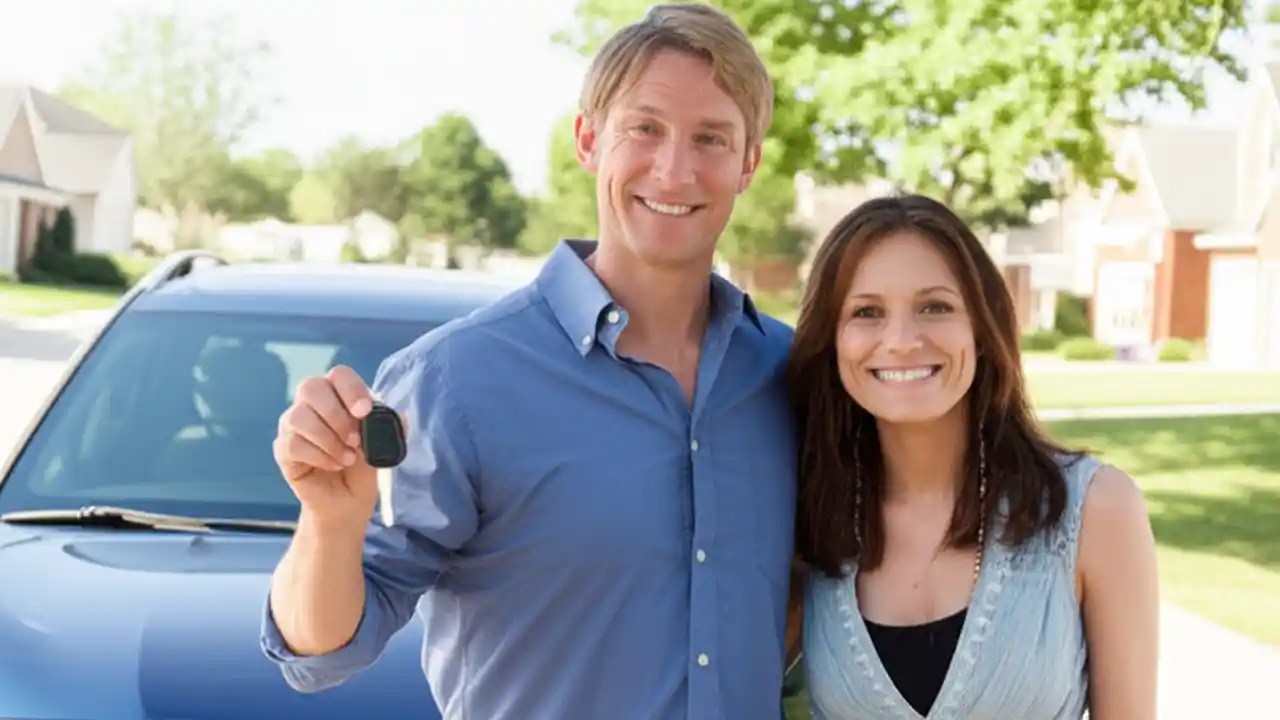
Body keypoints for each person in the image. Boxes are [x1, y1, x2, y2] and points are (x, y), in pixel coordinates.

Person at [260, 4, 798, 718]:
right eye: (645, 129)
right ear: (588, 139)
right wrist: (329, 523)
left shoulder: (791, 375)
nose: (674, 169)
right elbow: (322, 654)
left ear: (748, 163)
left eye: (712, 138)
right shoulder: (455, 382)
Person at [787, 194, 1159, 719]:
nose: (901, 340)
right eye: (866, 312)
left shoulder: (1095, 511)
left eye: (934, 307)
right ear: (833, 341)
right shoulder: (807, 523)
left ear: (982, 331)